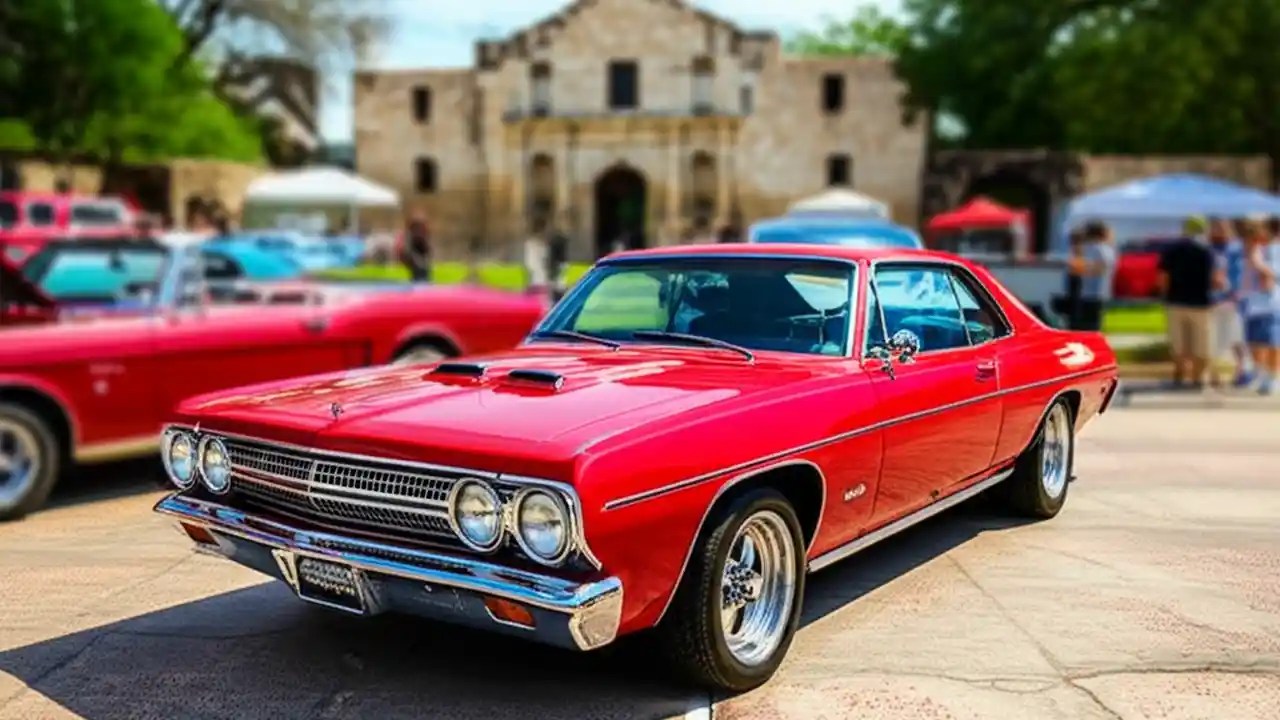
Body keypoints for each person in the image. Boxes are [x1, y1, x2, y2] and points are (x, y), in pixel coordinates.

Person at [1157, 216, 1219, 389]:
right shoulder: (1208, 251)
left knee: (1178, 343)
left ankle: (1180, 376)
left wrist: (1165, 295)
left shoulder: (1171, 250)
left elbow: (1163, 277)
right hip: (1201, 303)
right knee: (1201, 344)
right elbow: (1216, 279)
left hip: (1176, 301)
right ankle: (1197, 379)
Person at [1207, 218, 1253, 388]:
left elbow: (1241, 273)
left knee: (1237, 337)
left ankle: (1243, 371)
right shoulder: (1208, 249)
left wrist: (1233, 289)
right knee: (1214, 339)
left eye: (1222, 227)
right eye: (1215, 227)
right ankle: (1214, 375)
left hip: (1233, 299)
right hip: (1212, 300)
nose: (1218, 230)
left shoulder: (1236, 249)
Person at [1240, 217, 1280, 395]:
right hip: (1251, 304)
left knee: (1272, 342)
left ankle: (1273, 377)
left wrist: (1259, 263)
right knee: (1254, 342)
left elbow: (1272, 273)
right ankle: (1261, 374)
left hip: (1272, 304)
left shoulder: (1275, 250)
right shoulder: (1247, 252)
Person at [1065, 220, 1116, 331]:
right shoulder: (1106, 249)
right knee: (1093, 324)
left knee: (1086, 325)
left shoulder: (1094, 249)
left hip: (1089, 292)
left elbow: (1092, 267)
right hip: (1099, 292)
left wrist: (1080, 268)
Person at [401, 213, 432, 283]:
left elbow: (427, 252)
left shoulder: (424, 239)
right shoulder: (410, 238)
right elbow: (407, 254)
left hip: (423, 272)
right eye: (417, 227)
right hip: (416, 271)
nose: (419, 231)